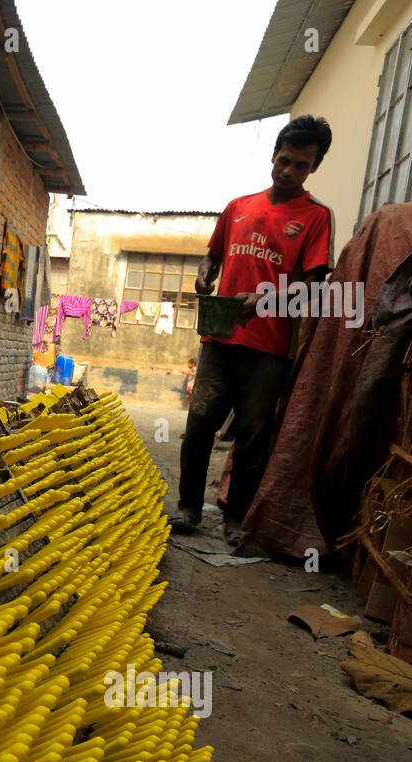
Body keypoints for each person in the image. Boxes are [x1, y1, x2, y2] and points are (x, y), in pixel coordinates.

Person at [169, 115, 335, 548]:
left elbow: (313, 283)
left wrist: (264, 300)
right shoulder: (237, 207)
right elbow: (213, 257)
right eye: (283, 160)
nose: (288, 171)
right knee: (201, 421)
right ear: (273, 155)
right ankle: (188, 508)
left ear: (313, 168)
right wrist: (205, 276)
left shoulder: (316, 217)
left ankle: (236, 518)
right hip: (219, 338)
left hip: (269, 347)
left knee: (253, 434)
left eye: (300, 165)